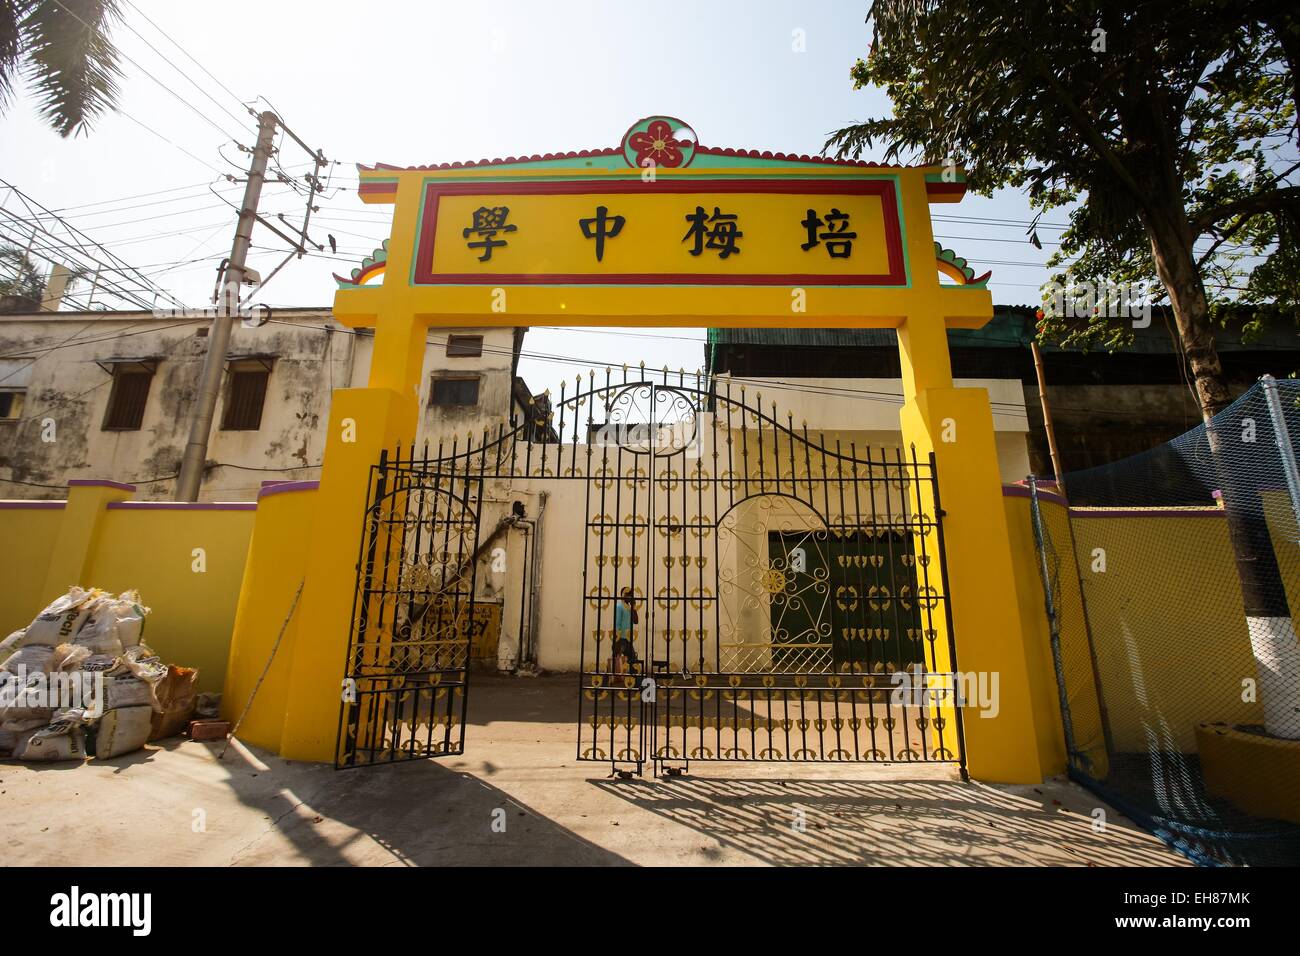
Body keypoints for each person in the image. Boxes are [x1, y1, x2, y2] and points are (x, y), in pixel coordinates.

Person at [612, 587, 641, 673]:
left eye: (631, 595)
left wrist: (634, 607)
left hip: (628, 639)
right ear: (623, 595)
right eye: (628, 595)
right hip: (620, 638)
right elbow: (617, 623)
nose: (630, 597)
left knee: (633, 661)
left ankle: (633, 678)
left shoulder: (629, 608)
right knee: (616, 661)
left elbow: (636, 621)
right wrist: (617, 639)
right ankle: (610, 678)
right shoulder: (619, 606)